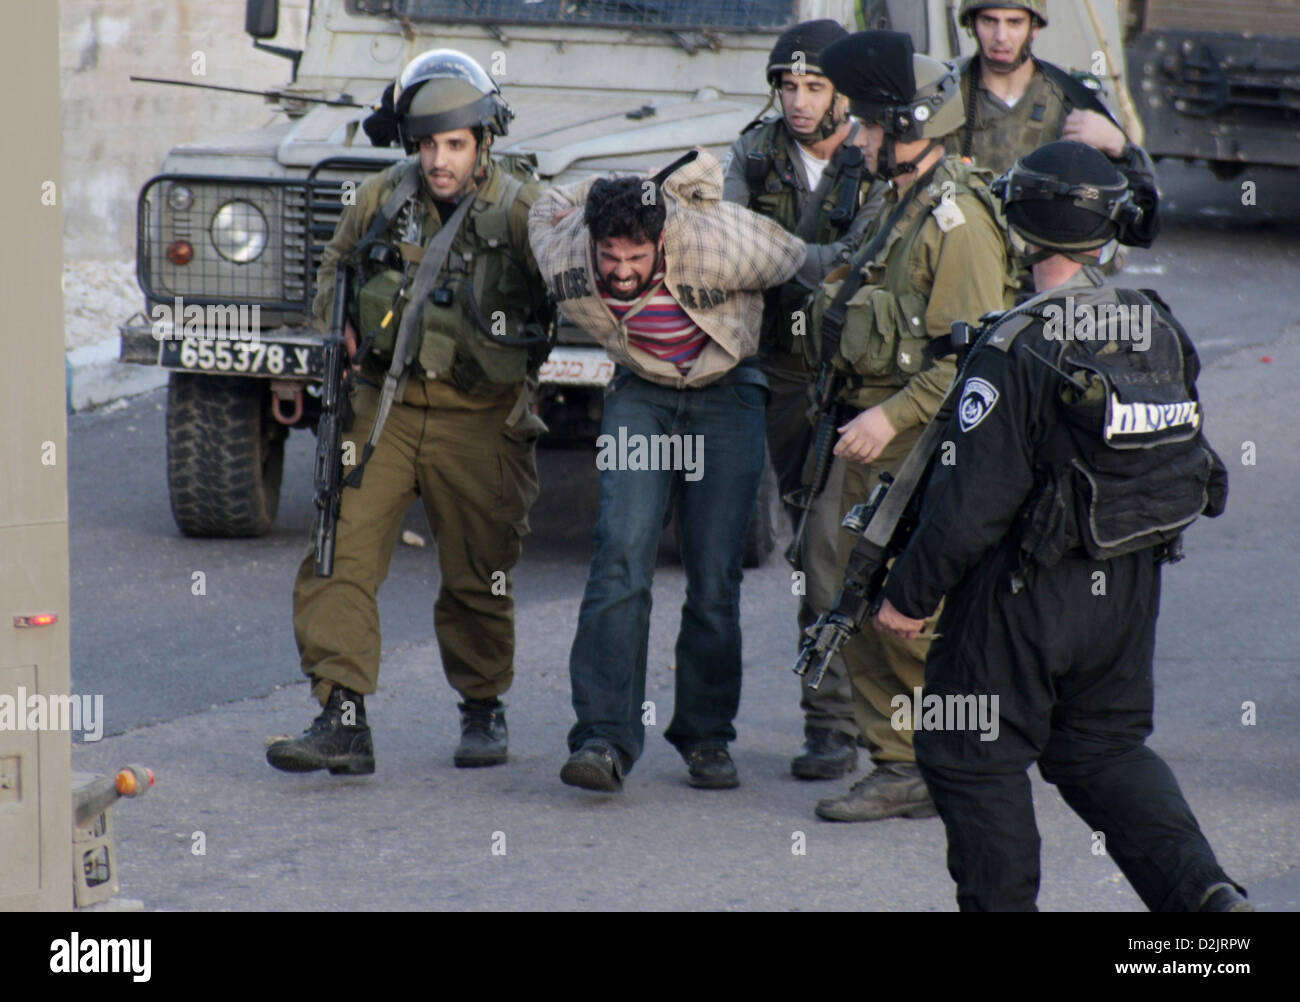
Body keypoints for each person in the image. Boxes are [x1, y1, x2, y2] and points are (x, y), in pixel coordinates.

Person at [875, 139, 1250, 912]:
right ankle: (1207, 904)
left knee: (967, 755)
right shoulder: (1155, 323)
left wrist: (908, 596)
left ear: (1022, 226)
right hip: (1128, 584)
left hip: (1022, 599)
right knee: (1102, 750)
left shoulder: (1015, 343)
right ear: (1105, 230)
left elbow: (972, 503)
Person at [266, 49, 553, 776]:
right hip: (383, 407)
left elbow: (569, 280)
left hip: (480, 415)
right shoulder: (383, 197)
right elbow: (333, 264)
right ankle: (343, 716)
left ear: (483, 141)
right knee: (340, 555)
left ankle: (483, 705)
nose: (439, 160)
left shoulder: (520, 207)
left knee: (478, 570)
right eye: (427, 144)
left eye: (454, 143)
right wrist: (343, 325)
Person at [528, 150, 805, 792]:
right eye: (611, 258)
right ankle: (602, 738)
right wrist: (609, 187)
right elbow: (542, 205)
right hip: (642, 394)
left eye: (636, 258)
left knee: (713, 574)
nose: (622, 273)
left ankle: (706, 737)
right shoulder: (564, 252)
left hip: (728, 393)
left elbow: (793, 255)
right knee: (621, 556)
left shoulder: (717, 247)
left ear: (661, 241)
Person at [807, 30, 1015, 822]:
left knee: (902, 609)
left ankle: (931, 760)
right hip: (867, 431)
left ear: (911, 128)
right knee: (854, 598)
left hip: (913, 442)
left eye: (868, 125)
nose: (856, 138)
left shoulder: (958, 224)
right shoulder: (895, 204)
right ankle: (896, 758)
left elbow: (974, 357)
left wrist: (890, 415)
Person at [722, 18, 887, 781]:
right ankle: (836, 718)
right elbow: (729, 250)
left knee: (839, 550)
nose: (796, 100)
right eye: (786, 85)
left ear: (843, 92)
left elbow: (881, 259)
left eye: (813, 85)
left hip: (867, 382)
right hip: (785, 375)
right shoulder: (755, 155)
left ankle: (838, 722)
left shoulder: (880, 154)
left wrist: (788, 257)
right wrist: (816, 262)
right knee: (810, 543)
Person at [946, 1, 1131, 176]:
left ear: (1035, 27)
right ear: (972, 24)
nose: (1000, 36)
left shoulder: (1073, 95)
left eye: (1014, 22)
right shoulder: (942, 91)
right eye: (989, 20)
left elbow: (1140, 192)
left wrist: (1118, 145)